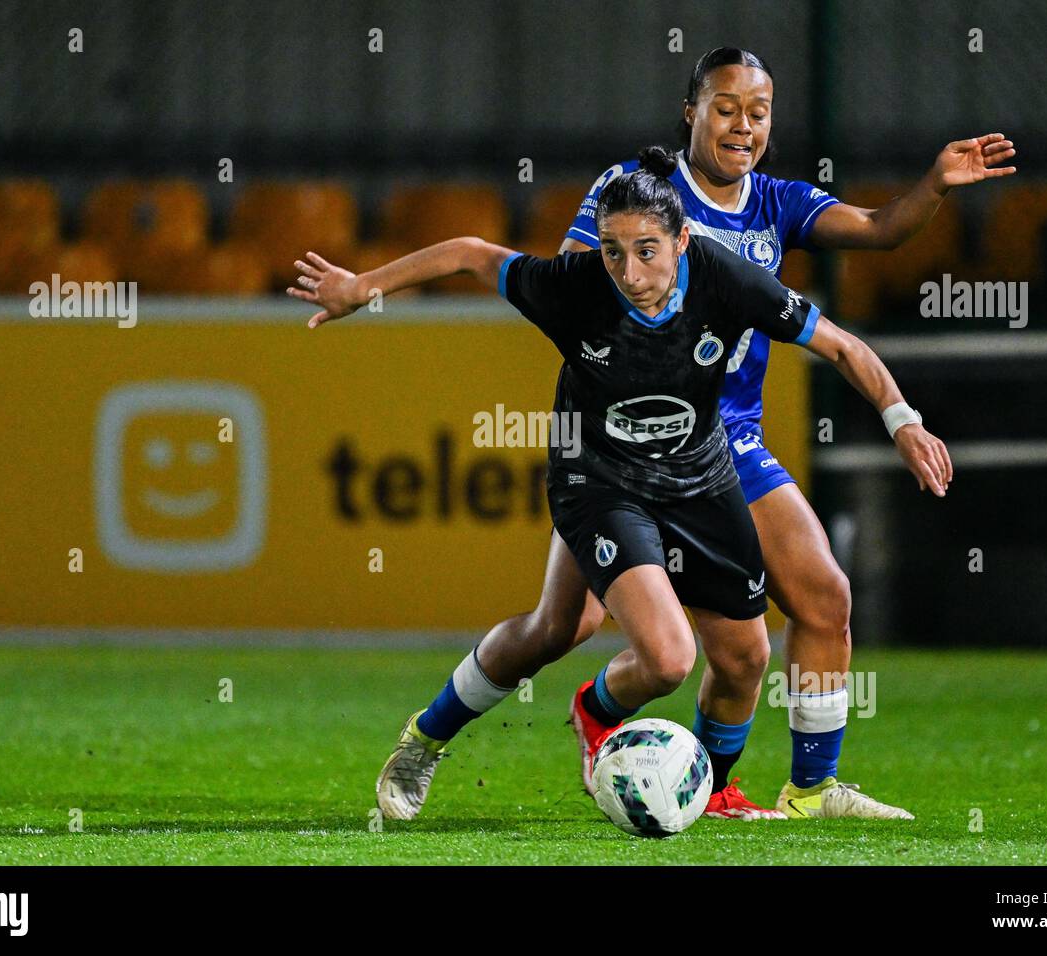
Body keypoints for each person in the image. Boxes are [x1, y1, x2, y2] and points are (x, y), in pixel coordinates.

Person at [361, 47, 1005, 822]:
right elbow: (574, 290)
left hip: (720, 444)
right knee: (561, 627)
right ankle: (429, 737)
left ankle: (799, 790)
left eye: (758, 111)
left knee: (818, 602)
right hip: (611, 443)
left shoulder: (774, 205)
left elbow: (877, 230)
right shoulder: (638, 197)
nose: (742, 125)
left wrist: (933, 186)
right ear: (691, 110)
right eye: (725, 106)